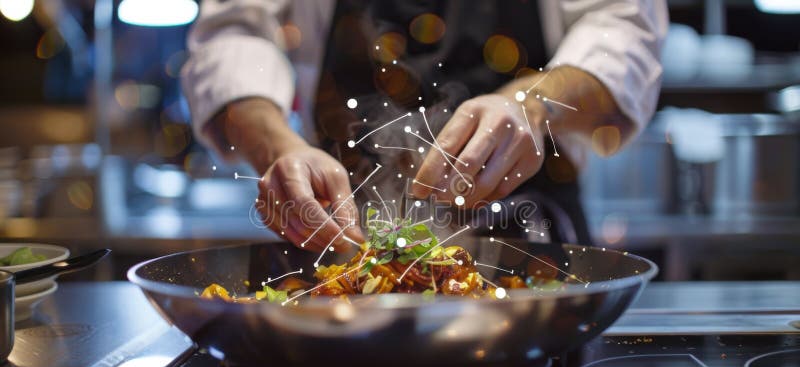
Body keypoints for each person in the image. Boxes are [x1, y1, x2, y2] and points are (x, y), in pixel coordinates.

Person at [182, 0, 668, 252]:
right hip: (337, 236)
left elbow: (626, 32)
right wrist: (278, 148)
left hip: (535, 241)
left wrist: (532, 103)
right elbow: (232, 35)